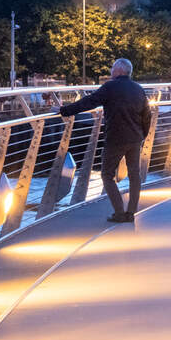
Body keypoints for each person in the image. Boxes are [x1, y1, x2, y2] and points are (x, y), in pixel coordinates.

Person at [58, 58, 152, 223]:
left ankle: (119, 212)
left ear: (119, 71)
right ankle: (131, 212)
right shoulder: (138, 89)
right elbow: (147, 115)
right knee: (134, 175)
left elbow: (89, 102)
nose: (110, 71)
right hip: (135, 138)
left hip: (115, 138)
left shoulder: (110, 87)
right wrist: (142, 134)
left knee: (107, 175)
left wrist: (64, 110)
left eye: (112, 68)